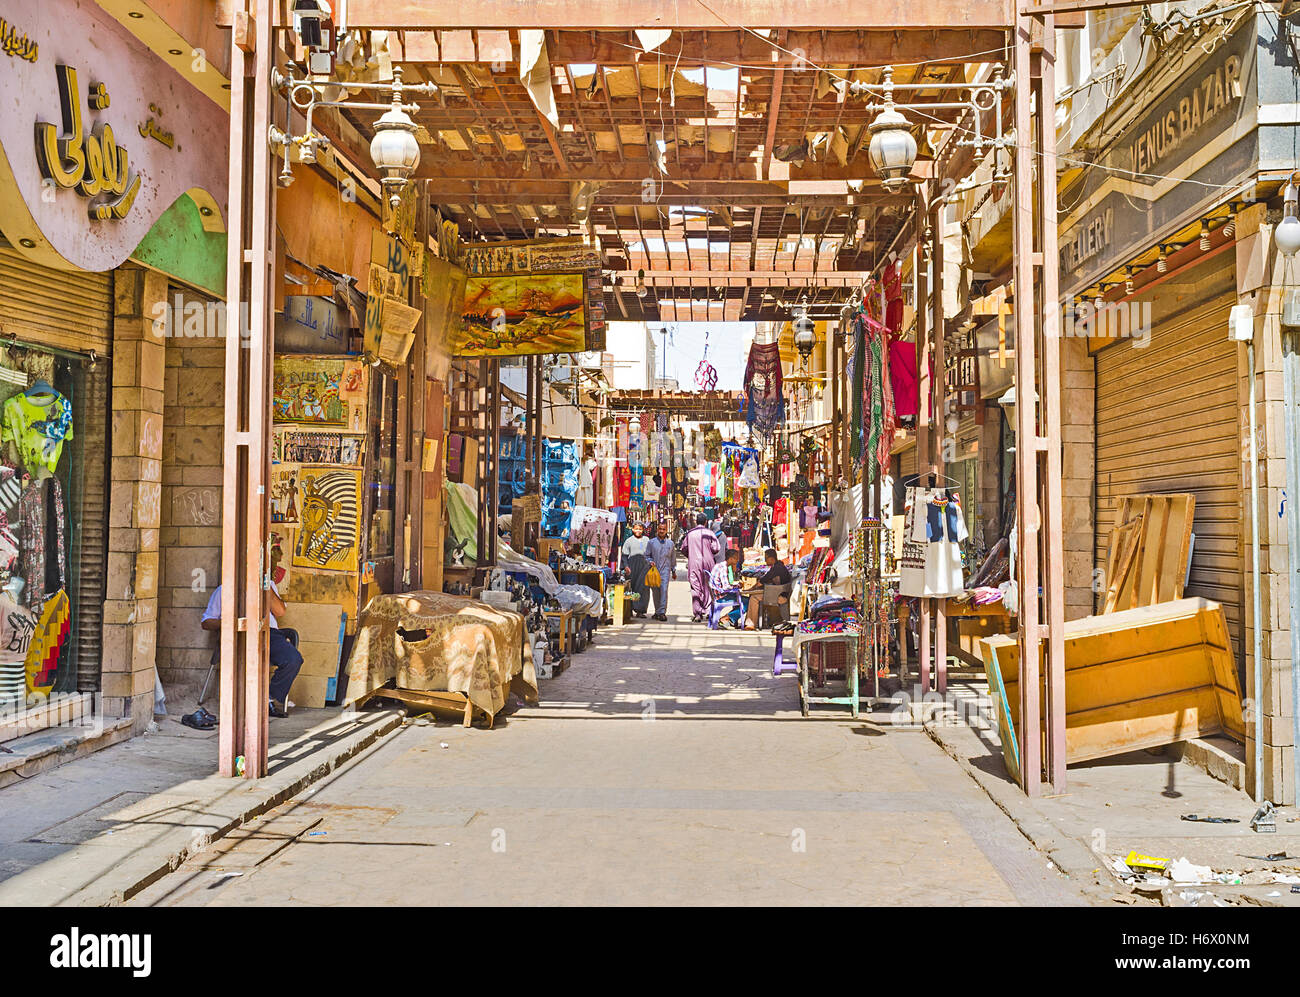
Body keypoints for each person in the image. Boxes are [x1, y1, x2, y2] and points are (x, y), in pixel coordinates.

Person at [201, 582, 302, 717]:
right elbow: (206, 622)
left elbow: (280, 611)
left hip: (269, 633)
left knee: (293, 659)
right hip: (239, 633)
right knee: (250, 661)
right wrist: (231, 622)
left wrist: (265, 587)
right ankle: (245, 702)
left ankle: (267, 699)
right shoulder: (225, 588)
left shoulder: (268, 584)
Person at [680, 512, 721, 622]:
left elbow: (683, 548)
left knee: (695, 586)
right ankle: (707, 610)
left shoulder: (690, 533)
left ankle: (698, 613)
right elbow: (716, 548)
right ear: (706, 522)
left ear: (696, 521)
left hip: (694, 562)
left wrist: (691, 554)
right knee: (708, 586)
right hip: (708, 562)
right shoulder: (710, 533)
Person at [744, 547, 793, 630]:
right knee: (756, 595)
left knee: (754, 597)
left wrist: (750, 590)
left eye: (766, 559)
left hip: (779, 597)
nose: (765, 561)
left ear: (771, 558)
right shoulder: (778, 566)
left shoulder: (776, 569)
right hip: (778, 594)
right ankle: (757, 622)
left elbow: (761, 581)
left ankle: (751, 624)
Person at [644, 519, 677, 621]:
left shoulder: (670, 544)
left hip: (665, 571)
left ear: (666, 531)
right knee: (656, 592)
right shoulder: (651, 542)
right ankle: (657, 611)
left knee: (664, 590)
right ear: (657, 530)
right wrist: (650, 561)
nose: (662, 531)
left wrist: (673, 570)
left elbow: (673, 558)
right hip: (654, 571)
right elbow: (646, 555)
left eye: (664, 529)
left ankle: (662, 612)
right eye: (660, 529)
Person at [620, 521, 651, 619]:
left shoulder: (647, 540)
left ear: (643, 530)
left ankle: (640, 610)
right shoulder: (628, 541)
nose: (638, 531)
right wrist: (626, 566)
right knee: (631, 588)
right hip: (632, 566)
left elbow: (651, 554)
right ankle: (629, 609)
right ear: (633, 529)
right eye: (636, 529)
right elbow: (624, 556)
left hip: (644, 566)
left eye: (640, 529)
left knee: (643, 588)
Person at [708, 548, 744, 629]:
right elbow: (726, 587)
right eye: (736, 558)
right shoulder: (723, 568)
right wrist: (737, 586)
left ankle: (731, 620)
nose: (738, 560)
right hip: (721, 596)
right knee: (746, 602)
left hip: (716, 594)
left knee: (741, 598)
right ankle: (727, 618)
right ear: (731, 558)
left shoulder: (722, 565)